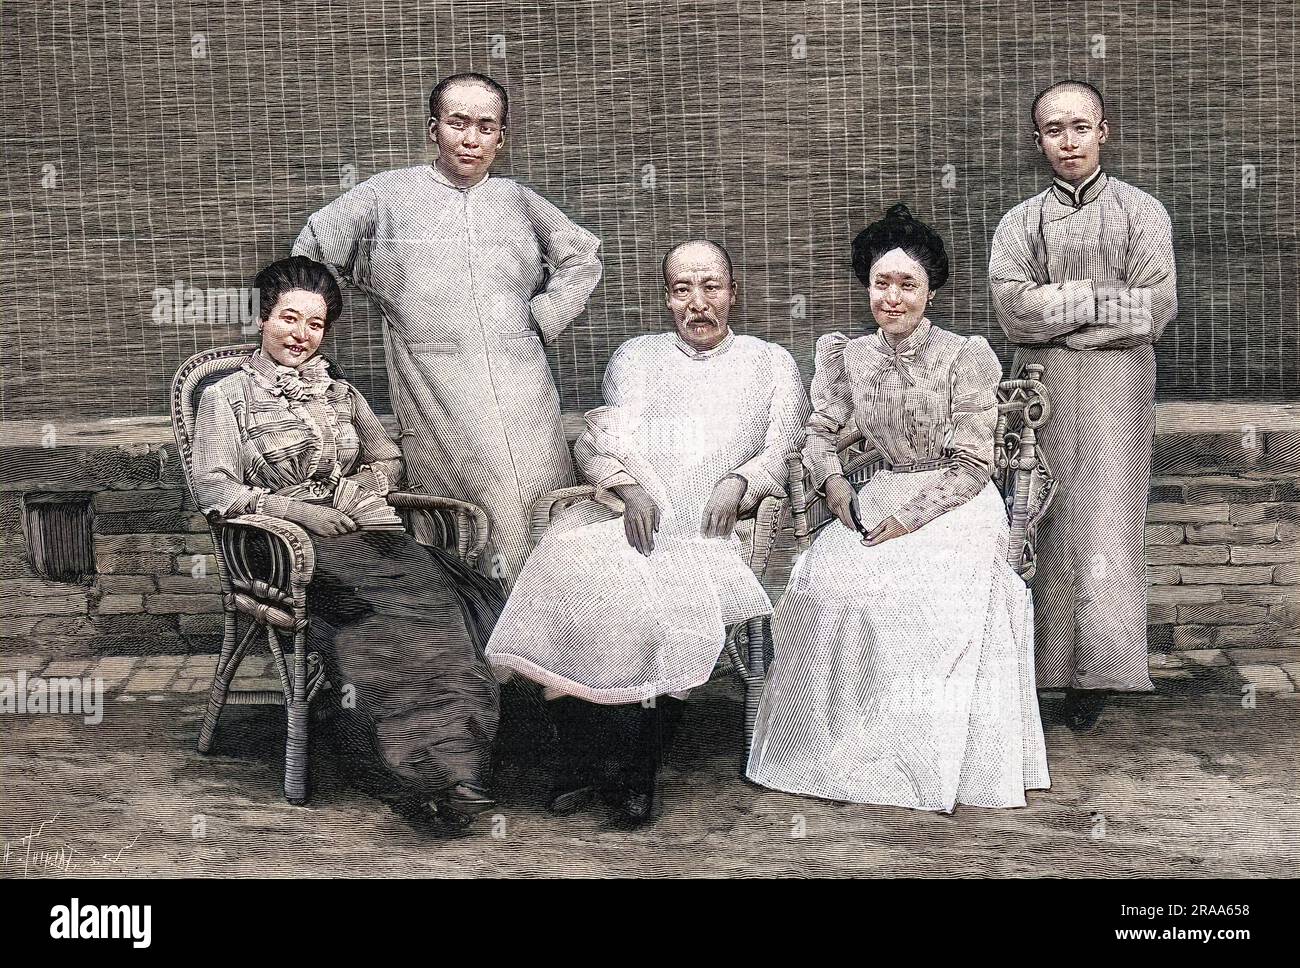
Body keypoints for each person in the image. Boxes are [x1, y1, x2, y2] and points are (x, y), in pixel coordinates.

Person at [485, 240, 808, 826]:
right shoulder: (636, 357)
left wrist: (741, 482)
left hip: (711, 538)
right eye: (682, 289)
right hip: (635, 524)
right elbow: (595, 440)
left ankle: (627, 767)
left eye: (711, 286)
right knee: (569, 565)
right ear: (667, 299)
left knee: (668, 597)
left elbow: (784, 450)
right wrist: (627, 487)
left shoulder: (768, 362)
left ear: (733, 292)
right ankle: (596, 757)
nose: (698, 302)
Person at [747, 204, 1049, 812]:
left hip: (956, 501)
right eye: (881, 284)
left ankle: (919, 760)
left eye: (907, 284)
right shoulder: (847, 356)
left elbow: (972, 464)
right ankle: (848, 751)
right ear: (867, 287)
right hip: (877, 488)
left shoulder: (967, 356)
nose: (892, 298)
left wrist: (908, 521)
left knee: (922, 596)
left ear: (930, 290)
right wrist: (832, 481)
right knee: (820, 588)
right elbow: (821, 433)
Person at [190, 256, 504, 828]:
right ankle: (418, 774)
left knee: (447, 612)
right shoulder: (226, 397)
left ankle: (452, 772)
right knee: (424, 610)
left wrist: (363, 491)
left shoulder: (338, 391)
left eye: (315, 324)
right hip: (284, 550)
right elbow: (214, 488)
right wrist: (303, 511)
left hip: (359, 539)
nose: (301, 335)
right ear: (262, 319)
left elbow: (386, 455)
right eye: (289, 318)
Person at [293, 72, 602, 587]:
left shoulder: (518, 200)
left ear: (501, 137)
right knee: (467, 524)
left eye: (486, 126)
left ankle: (549, 645)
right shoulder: (386, 196)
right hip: (439, 395)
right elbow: (312, 250)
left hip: (525, 391)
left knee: (545, 512)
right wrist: (321, 330)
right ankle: (478, 650)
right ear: (433, 128)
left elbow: (582, 257)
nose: (471, 138)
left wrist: (541, 317)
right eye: (457, 123)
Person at [989, 81, 1177, 729]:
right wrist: (1100, 302)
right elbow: (1014, 310)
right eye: (1052, 130)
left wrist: (1063, 310)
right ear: (1038, 139)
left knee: (1105, 523)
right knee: (1039, 517)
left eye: (1079, 127)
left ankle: (1099, 676)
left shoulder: (1142, 213)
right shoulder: (1021, 221)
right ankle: (1037, 673)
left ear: (1104, 131)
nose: (1067, 142)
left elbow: (1154, 308)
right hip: (1042, 389)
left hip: (1118, 391)